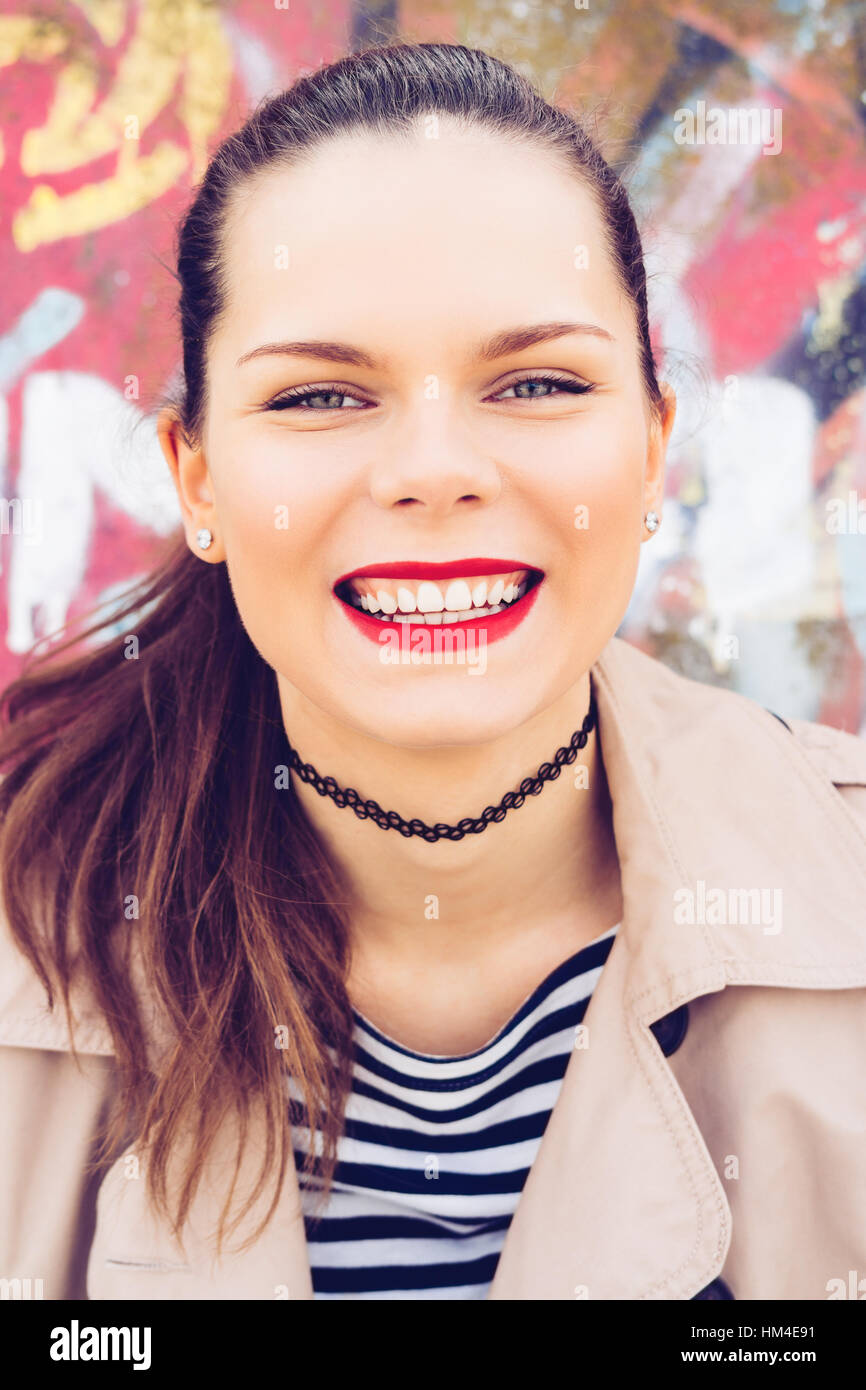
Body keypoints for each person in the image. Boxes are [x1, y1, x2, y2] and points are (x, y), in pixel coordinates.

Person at [1, 41, 865, 1304]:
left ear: (649, 449)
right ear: (198, 481)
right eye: (317, 397)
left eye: (533, 381)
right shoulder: (30, 924)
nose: (433, 468)